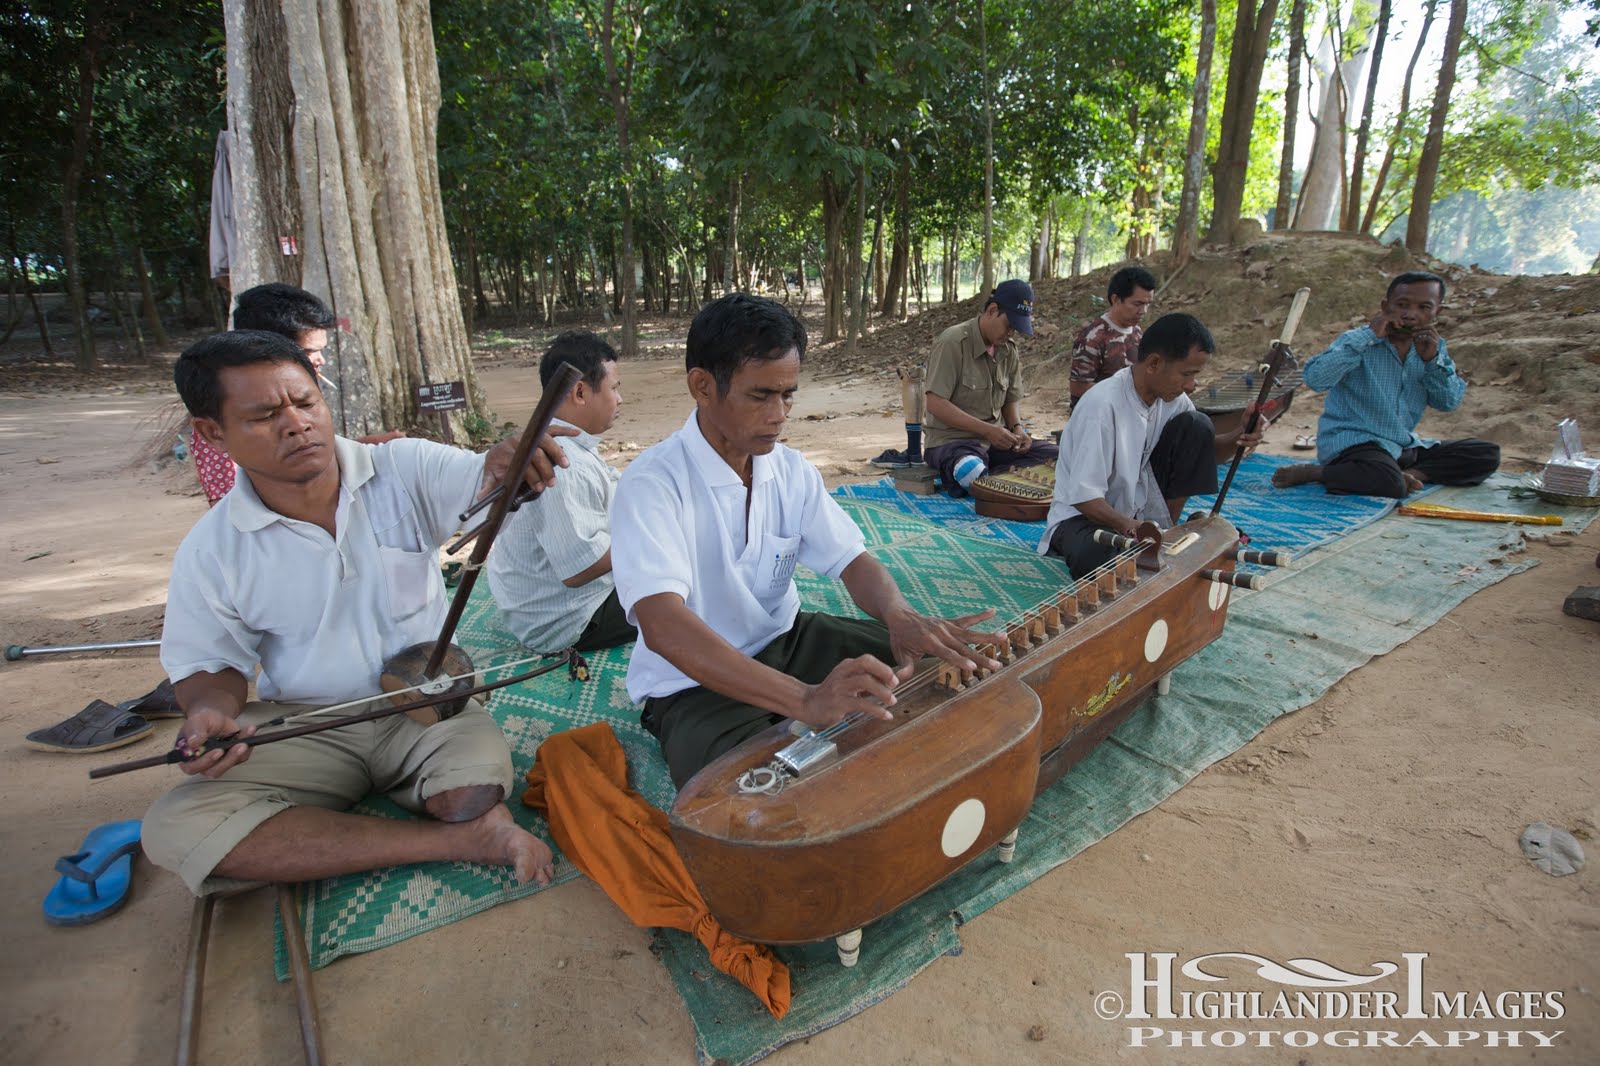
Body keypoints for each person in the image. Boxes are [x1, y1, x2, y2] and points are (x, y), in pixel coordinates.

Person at [143, 329, 572, 894]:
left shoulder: (399, 468)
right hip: (307, 724)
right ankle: (464, 841)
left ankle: (441, 821)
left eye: (305, 402)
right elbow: (209, 665)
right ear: (212, 433)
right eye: (264, 415)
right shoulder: (213, 548)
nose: (296, 423)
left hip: (423, 708)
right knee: (174, 826)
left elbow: (484, 479)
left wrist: (504, 468)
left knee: (471, 788)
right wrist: (208, 712)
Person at [610, 293, 1003, 788]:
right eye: (761, 396)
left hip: (789, 640)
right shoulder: (653, 483)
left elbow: (852, 559)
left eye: (788, 394)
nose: (779, 414)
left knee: (942, 670)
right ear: (703, 386)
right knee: (750, 796)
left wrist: (898, 614)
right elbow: (664, 626)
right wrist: (804, 700)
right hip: (692, 685)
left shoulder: (789, 471)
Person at [1039, 313, 1262, 578]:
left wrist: (1241, 434)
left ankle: (1169, 531)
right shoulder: (1101, 406)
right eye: (1187, 374)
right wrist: (1131, 526)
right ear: (1154, 363)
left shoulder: (1173, 399)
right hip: (1084, 519)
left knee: (1197, 425)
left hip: (1140, 518)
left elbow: (1205, 452)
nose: (1191, 386)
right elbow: (1086, 499)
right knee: (1106, 560)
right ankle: (1156, 544)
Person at [1271, 272, 1499, 497]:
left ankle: (1408, 475)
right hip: (1354, 444)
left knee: (1485, 454)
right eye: (1402, 305)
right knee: (1389, 483)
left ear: (1437, 312)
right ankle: (1319, 473)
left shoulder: (1432, 348)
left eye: (1424, 308)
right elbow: (1315, 379)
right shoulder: (1359, 340)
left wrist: (1432, 362)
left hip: (1399, 446)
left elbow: (1448, 403)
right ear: (1385, 306)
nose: (1411, 315)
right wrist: (1369, 336)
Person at [487, 331, 636, 653]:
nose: (620, 399)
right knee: (691, 583)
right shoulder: (563, 461)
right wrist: (654, 537)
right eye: (614, 389)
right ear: (580, 392)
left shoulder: (568, 445)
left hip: (553, 604)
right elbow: (580, 569)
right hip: (570, 619)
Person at [190, 283, 402, 506]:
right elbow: (224, 503)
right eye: (309, 352)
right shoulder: (224, 414)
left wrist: (369, 446)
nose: (321, 360)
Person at [921, 279, 1059, 495]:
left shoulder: (1008, 349)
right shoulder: (952, 342)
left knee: (1059, 456)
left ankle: (989, 478)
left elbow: (1010, 399)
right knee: (971, 469)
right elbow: (935, 403)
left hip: (996, 443)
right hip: (952, 442)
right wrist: (988, 430)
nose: (1011, 333)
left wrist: (1017, 429)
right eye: (1009, 325)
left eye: (1015, 329)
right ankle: (982, 476)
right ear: (992, 310)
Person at [1069, 265, 1157, 410]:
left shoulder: (1137, 333)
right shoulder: (1092, 338)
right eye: (1137, 304)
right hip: (1098, 417)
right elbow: (1078, 389)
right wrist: (1127, 397)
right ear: (1116, 299)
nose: (1143, 311)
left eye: (1148, 304)